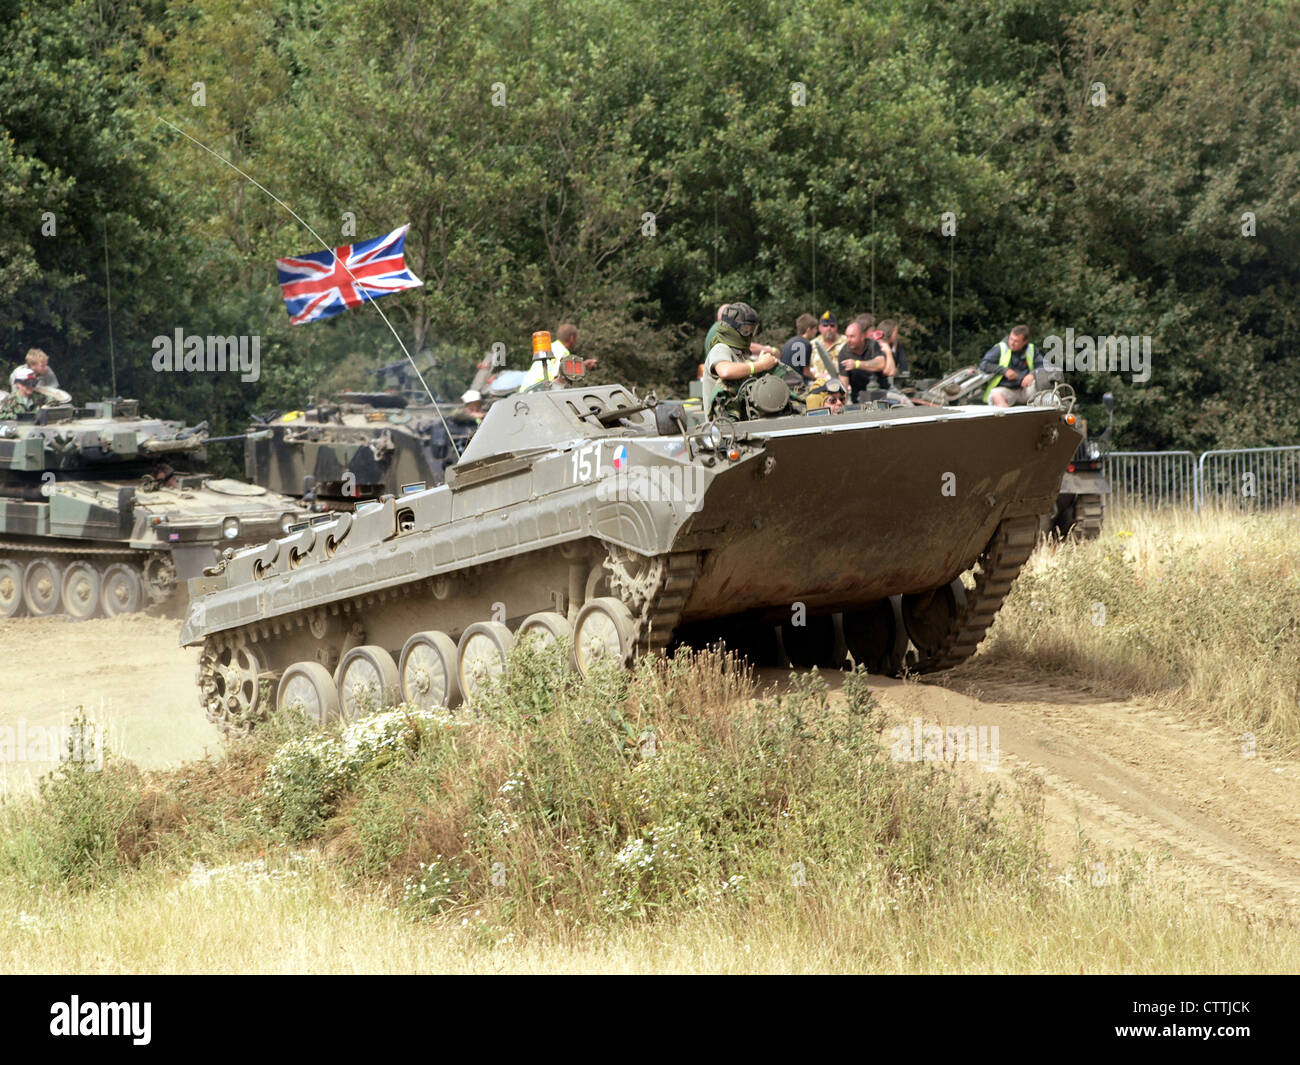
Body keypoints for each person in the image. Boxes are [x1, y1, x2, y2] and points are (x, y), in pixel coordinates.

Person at [702, 302, 780, 415]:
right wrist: (760, 365)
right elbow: (725, 371)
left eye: (752, 330)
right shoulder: (720, 348)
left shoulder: (739, 354)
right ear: (733, 329)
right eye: (745, 330)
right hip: (723, 426)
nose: (749, 335)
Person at [521, 323, 598, 390]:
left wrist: (582, 365)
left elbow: (563, 370)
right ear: (572, 338)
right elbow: (558, 378)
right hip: (539, 390)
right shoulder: (562, 352)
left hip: (528, 389)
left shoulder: (552, 347)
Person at [838, 320, 896, 401]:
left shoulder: (872, 345)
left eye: (852, 337)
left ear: (862, 336)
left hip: (883, 391)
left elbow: (880, 364)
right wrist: (842, 404)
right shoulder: (844, 354)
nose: (848, 340)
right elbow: (844, 384)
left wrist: (856, 364)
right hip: (859, 396)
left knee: (905, 402)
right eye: (847, 336)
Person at [980, 325, 1037, 406]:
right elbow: (984, 364)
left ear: (1024, 342)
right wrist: (1004, 370)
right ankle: (1006, 417)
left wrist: (1032, 374)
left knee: (1040, 384)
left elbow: (1043, 366)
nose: (1012, 343)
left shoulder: (1031, 349)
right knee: (996, 395)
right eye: (1011, 339)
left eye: (1016, 341)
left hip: (1025, 389)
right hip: (1006, 390)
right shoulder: (1000, 348)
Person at [779, 314, 821, 383]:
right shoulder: (806, 344)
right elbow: (806, 372)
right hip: (796, 383)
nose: (816, 331)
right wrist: (816, 377)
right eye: (815, 329)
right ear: (808, 329)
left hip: (784, 379)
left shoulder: (790, 341)